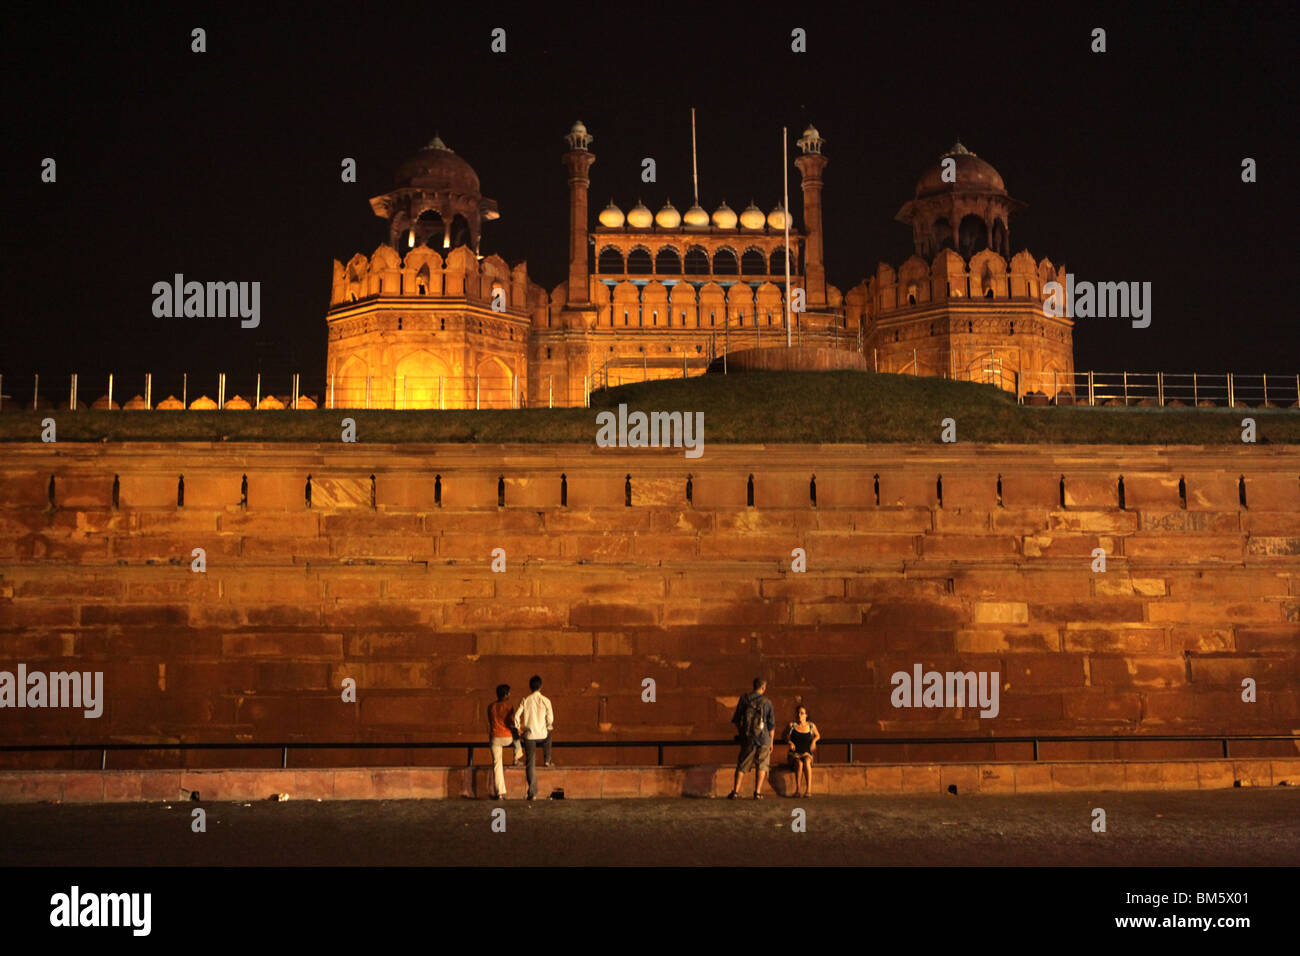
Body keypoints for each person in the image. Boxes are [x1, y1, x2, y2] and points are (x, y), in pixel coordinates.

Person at [728, 677, 775, 799]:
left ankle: (736, 792)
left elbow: (737, 720)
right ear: (763, 687)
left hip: (748, 738)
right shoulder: (767, 702)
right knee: (762, 765)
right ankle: (757, 792)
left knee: (742, 765)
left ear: (753, 686)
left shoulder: (744, 700)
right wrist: (771, 742)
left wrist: (742, 732)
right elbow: (771, 725)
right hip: (763, 738)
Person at [513, 674, 555, 800]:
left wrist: (518, 728)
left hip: (529, 736)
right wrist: (547, 726)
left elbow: (516, 716)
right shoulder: (546, 700)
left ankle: (533, 793)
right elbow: (550, 719)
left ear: (530, 687)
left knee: (530, 763)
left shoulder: (525, 700)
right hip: (542, 735)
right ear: (541, 686)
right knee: (549, 734)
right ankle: (547, 760)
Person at [486, 684, 523, 800]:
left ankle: (500, 793)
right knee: (517, 737)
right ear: (506, 694)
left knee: (497, 765)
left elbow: (491, 722)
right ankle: (517, 758)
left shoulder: (490, 706)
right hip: (507, 737)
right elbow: (511, 723)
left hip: (495, 738)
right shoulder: (509, 706)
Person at [784, 704, 820, 797]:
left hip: (806, 752)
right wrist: (790, 742)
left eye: (802, 713)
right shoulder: (792, 725)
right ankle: (798, 790)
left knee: (807, 762)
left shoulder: (811, 726)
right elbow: (784, 736)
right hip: (795, 754)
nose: (799, 715)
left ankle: (808, 790)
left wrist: (814, 742)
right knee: (799, 764)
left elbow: (818, 735)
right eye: (798, 713)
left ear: (806, 715)